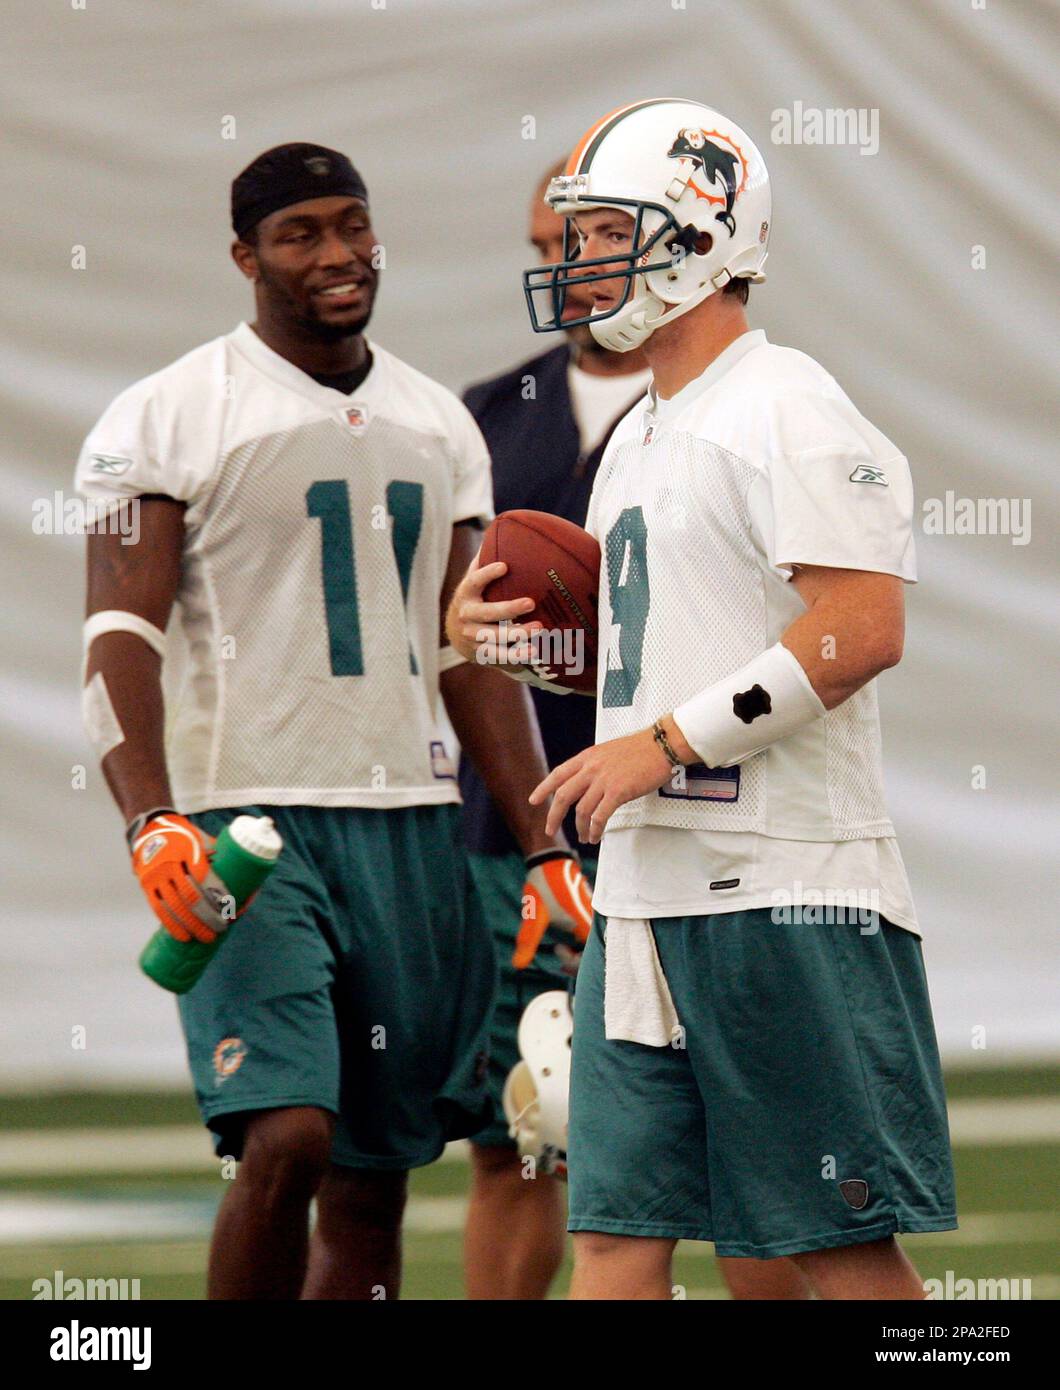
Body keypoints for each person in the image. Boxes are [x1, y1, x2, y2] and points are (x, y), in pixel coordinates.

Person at [447, 99, 957, 1300]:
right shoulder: (640, 433)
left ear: (696, 233)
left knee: (828, 1246)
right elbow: (658, 651)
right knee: (614, 1239)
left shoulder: (786, 406)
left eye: (600, 232)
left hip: (781, 885)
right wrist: (514, 648)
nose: (574, 264)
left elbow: (860, 629)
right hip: (645, 891)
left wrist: (661, 746)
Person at [75, 142, 590, 1300]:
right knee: (289, 1133)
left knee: (374, 1175)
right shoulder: (165, 414)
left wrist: (544, 846)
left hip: (410, 825)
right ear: (244, 255)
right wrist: (149, 817)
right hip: (243, 828)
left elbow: (468, 654)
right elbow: (119, 638)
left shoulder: (439, 424)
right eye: (299, 232)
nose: (336, 254)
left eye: (350, 225)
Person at [459, 159, 652, 1301]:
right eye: (545, 248)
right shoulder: (482, 416)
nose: (562, 270)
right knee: (521, 1126)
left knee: (712, 1139)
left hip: (675, 814)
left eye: (582, 242)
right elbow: (443, 637)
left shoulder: (717, 412)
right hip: (516, 825)